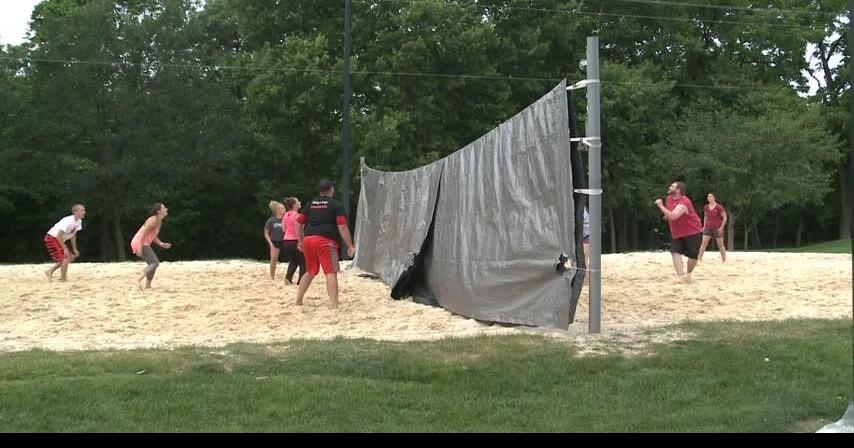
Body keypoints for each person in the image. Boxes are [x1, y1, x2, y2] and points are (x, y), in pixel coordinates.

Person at [294, 179, 355, 309]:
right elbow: (342, 226)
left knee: (310, 271)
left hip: (308, 239)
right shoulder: (336, 205)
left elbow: (298, 223)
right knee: (331, 272)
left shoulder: (311, 204)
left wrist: (300, 240)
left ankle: (298, 300)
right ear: (331, 189)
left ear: (320, 190)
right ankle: (334, 305)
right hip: (325, 241)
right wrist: (350, 246)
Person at [654, 181, 703, 282]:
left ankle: (688, 274)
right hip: (678, 233)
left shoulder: (684, 202)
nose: (669, 187)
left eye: (672, 186)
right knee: (674, 252)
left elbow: (674, 216)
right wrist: (666, 216)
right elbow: (670, 214)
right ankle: (681, 276)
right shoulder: (669, 199)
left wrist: (660, 206)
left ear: (678, 190)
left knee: (693, 256)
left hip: (692, 231)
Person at [130, 203, 172, 289]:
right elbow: (143, 234)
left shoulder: (159, 221)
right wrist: (140, 247)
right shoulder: (153, 220)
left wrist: (161, 244)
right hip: (139, 242)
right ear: (159, 211)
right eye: (164, 208)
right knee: (155, 263)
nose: (166, 209)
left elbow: (153, 235)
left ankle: (148, 285)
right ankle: (138, 280)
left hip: (143, 242)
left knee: (152, 264)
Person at [43, 204, 86, 282]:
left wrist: (74, 248)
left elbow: (73, 234)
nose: (84, 212)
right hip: (52, 238)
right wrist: (64, 249)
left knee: (70, 257)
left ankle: (50, 271)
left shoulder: (79, 221)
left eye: (84, 210)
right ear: (75, 212)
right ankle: (63, 279)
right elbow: (58, 235)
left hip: (58, 239)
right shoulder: (68, 221)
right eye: (82, 210)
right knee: (65, 257)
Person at [281, 197, 306, 285]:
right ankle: (301, 281)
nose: (300, 202)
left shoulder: (286, 215)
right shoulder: (298, 216)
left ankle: (288, 278)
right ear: (294, 205)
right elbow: (300, 229)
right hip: (295, 240)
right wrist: (301, 241)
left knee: (293, 262)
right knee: (303, 262)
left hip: (286, 240)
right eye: (298, 201)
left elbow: (283, 229)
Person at [698, 193, 728, 262]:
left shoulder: (719, 207)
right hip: (708, 228)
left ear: (714, 198)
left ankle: (724, 260)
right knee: (703, 244)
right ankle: (699, 259)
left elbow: (725, 217)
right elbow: (705, 216)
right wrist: (704, 226)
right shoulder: (706, 207)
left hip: (717, 228)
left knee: (720, 245)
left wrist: (721, 227)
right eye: (708, 196)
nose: (708, 197)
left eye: (710, 196)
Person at [264, 200, 286, 280]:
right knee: (273, 260)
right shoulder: (271, 220)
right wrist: (270, 243)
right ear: (277, 210)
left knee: (293, 258)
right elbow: (266, 233)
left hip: (286, 241)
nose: (284, 209)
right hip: (275, 242)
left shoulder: (286, 218)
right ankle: (272, 277)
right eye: (282, 208)